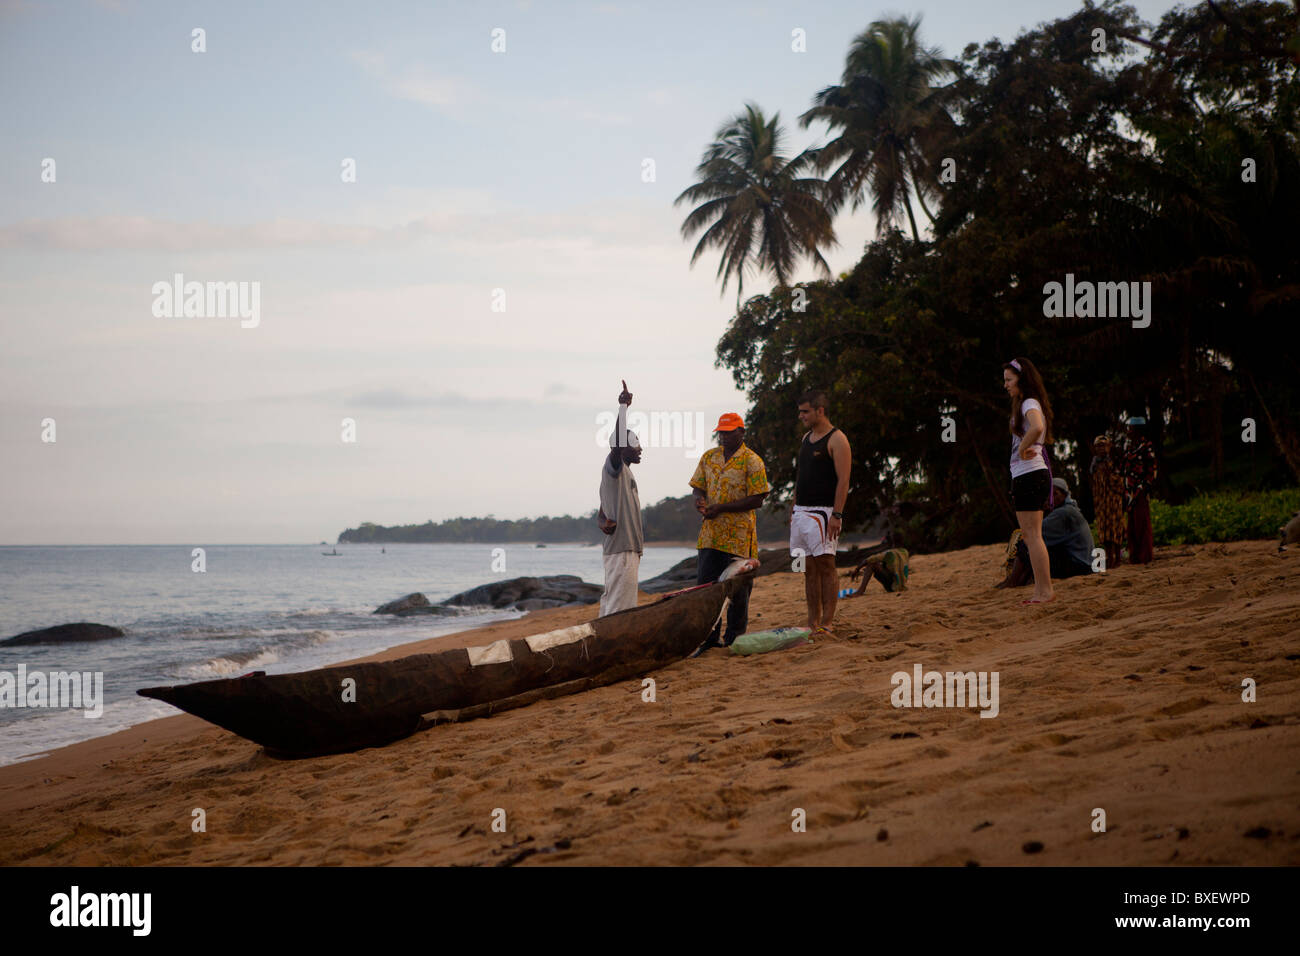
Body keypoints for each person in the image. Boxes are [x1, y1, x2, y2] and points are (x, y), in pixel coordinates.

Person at [688, 413, 771, 653]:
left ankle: (735, 638)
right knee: (707, 589)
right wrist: (699, 501)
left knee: (738, 590)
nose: (723, 436)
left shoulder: (752, 461)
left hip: (740, 538)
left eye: (729, 432)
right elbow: (697, 487)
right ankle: (709, 638)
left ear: (741, 432)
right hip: (710, 535)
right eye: (721, 432)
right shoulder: (709, 457)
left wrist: (721, 508)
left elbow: (758, 499)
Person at [790, 389, 851, 634]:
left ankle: (827, 622)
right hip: (801, 512)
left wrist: (837, 515)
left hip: (824, 512)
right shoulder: (806, 438)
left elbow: (844, 480)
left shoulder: (838, 439)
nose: (801, 416)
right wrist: (793, 509)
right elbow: (800, 477)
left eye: (805, 411)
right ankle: (812, 621)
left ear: (820, 411)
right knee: (808, 569)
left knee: (826, 565)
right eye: (800, 412)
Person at [1001, 357, 1055, 604]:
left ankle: (1044, 592)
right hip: (1030, 474)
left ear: (1022, 379)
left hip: (1029, 473)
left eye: (1009, 380)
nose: (1006, 385)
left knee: (1032, 536)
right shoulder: (1026, 403)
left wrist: (1023, 448)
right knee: (1033, 536)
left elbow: (1037, 426)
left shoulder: (1029, 402)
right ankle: (1042, 591)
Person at [597, 380, 643, 615]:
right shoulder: (614, 467)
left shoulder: (621, 476)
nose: (641, 450)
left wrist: (602, 520)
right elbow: (616, 445)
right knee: (619, 609)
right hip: (621, 549)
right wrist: (624, 407)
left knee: (614, 603)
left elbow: (603, 508)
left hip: (628, 549)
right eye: (636, 445)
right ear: (624, 447)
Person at [995, 478, 1095, 587]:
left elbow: (1033, 533)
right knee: (1038, 548)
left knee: (1027, 546)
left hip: (1079, 566)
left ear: (1064, 495)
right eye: (1049, 495)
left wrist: (1042, 510)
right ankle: (1021, 581)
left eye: (1055, 494)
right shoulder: (1068, 510)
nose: (1052, 498)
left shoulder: (1063, 513)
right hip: (1084, 564)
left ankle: (1012, 581)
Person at [1118, 416, 1157, 564]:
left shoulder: (1146, 446)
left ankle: (1145, 556)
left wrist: (1145, 486)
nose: (1128, 431)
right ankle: (1134, 555)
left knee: (1142, 523)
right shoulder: (1129, 448)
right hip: (1129, 490)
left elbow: (1152, 469)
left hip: (1140, 490)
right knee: (1132, 525)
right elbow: (1124, 468)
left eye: (1130, 428)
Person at [1088, 435, 1125, 569]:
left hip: (1113, 500)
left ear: (1109, 447)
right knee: (1104, 530)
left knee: (1115, 528)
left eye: (1103, 445)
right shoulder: (1094, 464)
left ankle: (1117, 558)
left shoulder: (1114, 461)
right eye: (1098, 446)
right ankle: (1109, 558)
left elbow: (1120, 482)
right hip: (1101, 502)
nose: (1101, 448)